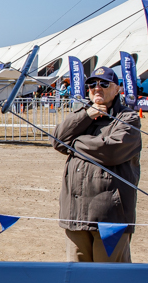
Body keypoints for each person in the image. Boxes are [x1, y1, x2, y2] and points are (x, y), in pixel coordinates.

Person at [52, 67, 141, 262]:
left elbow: (110, 151)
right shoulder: (82, 114)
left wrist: (74, 143)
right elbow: (57, 140)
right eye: (92, 84)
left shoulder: (128, 118)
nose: (97, 88)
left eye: (104, 84)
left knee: (109, 275)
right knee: (77, 275)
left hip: (110, 218)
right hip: (75, 214)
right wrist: (87, 116)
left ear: (117, 89)